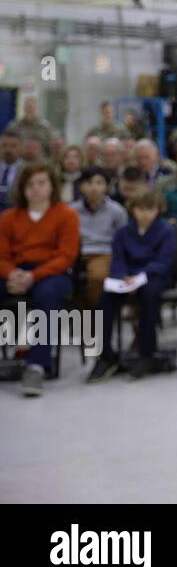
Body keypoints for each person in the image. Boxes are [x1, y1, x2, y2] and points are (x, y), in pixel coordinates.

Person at [0, 162, 80, 396]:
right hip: (14, 270)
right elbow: (1, 255)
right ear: (22, 188)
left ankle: (36, 365)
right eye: (30, 184)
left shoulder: (66, 215)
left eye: (41, 183)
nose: (36, 189)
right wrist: (11, 274)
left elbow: (66, 256)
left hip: (51, 272)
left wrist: (33, 276)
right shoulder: (8, 218)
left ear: (52, 186)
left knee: (47, 294)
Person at [85, 190, 176, 382]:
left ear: (158, 210)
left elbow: (164, 261)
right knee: (105, 300)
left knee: (149, 297)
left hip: (153, 276)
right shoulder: (123, 232)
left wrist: (140, 277)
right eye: (140, 209)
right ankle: (105, 355)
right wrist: (122, 277)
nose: (144, 214)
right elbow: (117, 260)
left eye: (150, 209)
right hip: (126, 277)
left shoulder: (166, 230)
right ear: (132, 209)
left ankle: (146, 352)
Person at [71, 167, 128, 310]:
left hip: (103, 251)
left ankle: (90, 315)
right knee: (63, 280)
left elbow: (122, 239)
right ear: (81, 186)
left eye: (99, 183)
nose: (94, 187)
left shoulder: (117, 211)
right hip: (75, 251)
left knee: (98, 277)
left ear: (106, 186)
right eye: (89, 183)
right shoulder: (71, 210)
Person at [0, 131, 24, 210]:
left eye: (13, 146)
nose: (8, 150)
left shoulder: (26, 170)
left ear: (21, 148)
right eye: (4, 145)